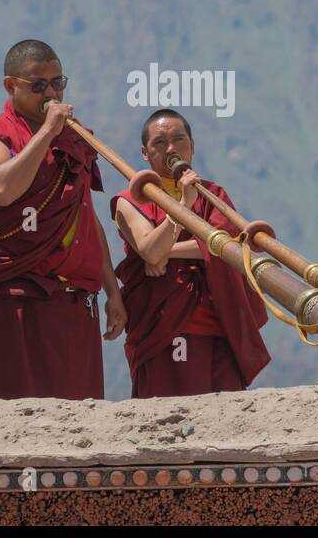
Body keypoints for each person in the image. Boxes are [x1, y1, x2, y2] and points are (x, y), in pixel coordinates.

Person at [0, 39, 126, 399]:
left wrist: (113, 290)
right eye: (38, 86)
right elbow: (2, 188)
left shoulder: (72, 137)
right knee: (14, 414)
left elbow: (85, 215)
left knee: (79, 418)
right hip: (21, 298)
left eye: (58, 83)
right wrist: (46, 135)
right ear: (11, 86)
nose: (51, 93)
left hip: (76, 304)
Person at [109, 109, 269, 397]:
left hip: (217, 323)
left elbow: (227, 247)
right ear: (145, 153)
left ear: (192, 146)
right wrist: (183, 204)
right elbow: (148, 250)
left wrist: (167, 253)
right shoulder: (129, 201)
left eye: (178, 139)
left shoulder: (213, 195)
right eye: (159, 143)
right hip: (162, 327)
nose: (171, 149)